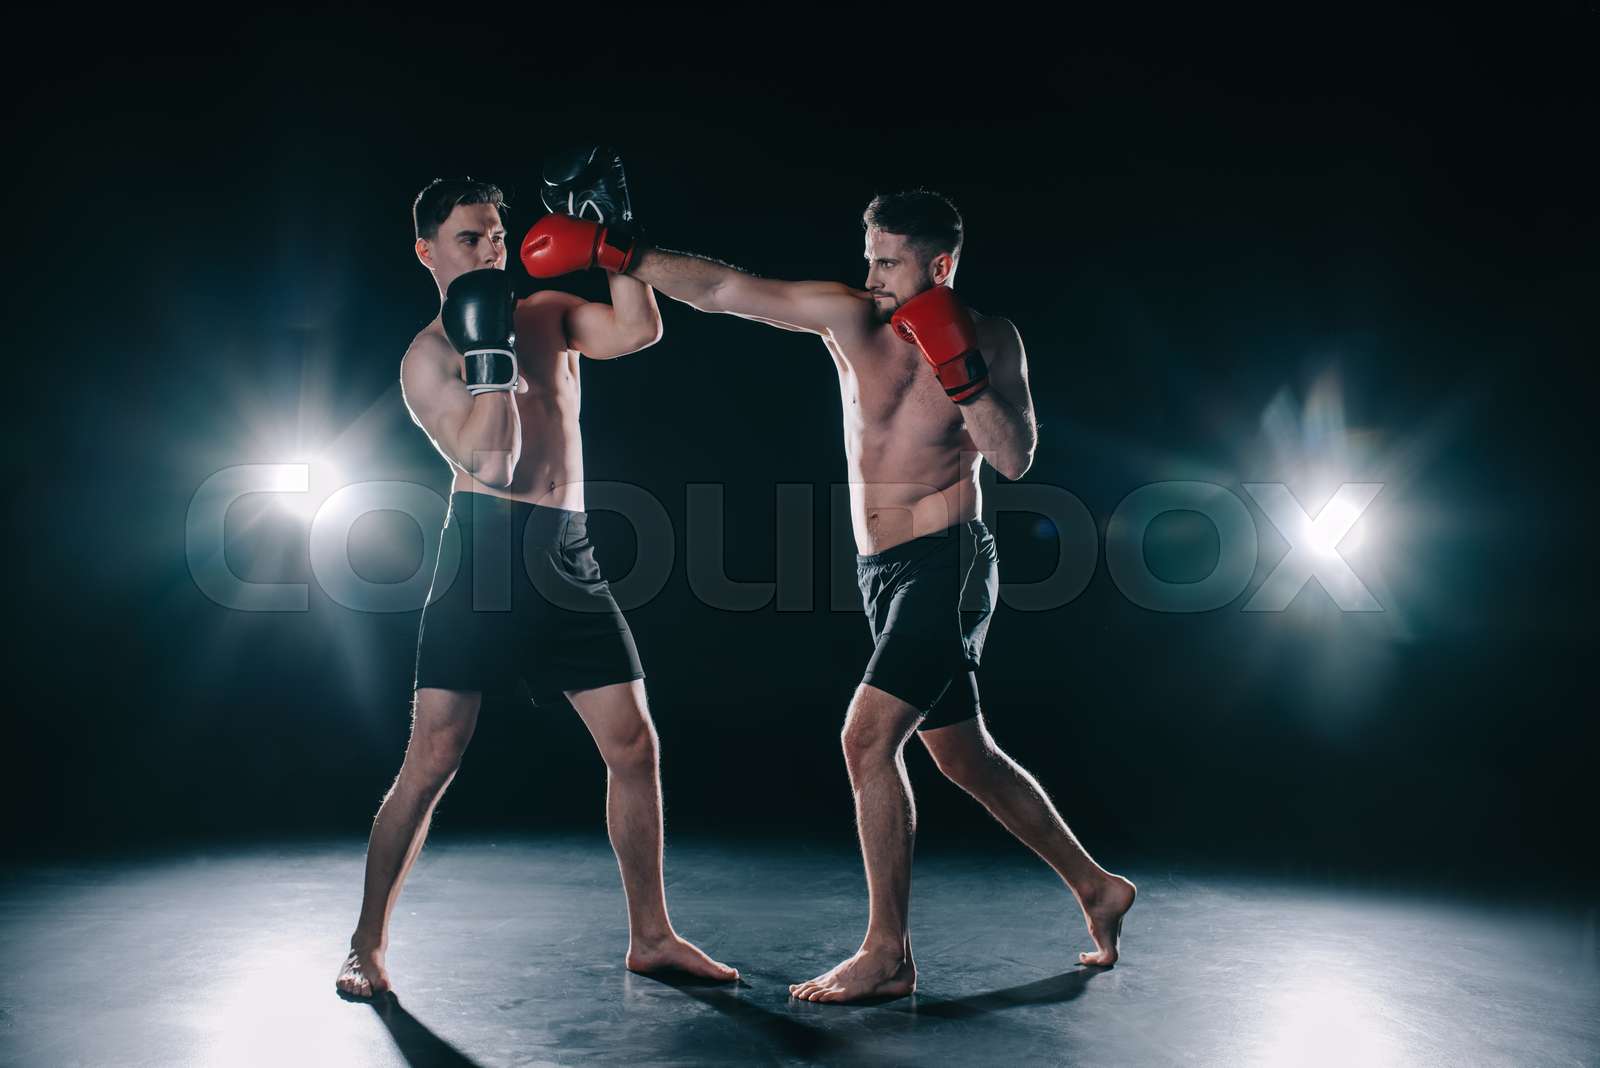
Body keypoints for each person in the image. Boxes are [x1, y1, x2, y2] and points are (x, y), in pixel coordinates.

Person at [522, 187, 1134, 1003]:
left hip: (948, 563)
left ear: (939, 265)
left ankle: (889, 955)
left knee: (865, 739)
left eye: (890, 261)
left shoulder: (990, 337)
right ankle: (1098, 887)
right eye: (870, 256)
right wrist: (615, 254)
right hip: (880, 574)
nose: (873, 275)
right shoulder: (852, 320)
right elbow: (725, 290)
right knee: (964, 755)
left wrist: (961, 371)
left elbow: (1015, 456)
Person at [336, 159, 736, 999]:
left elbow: (638, 332)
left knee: (635, 745)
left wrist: (619, 247)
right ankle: (366, 944)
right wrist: (488, 353)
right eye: (468, 237)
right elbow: (496, 458)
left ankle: (651, 937)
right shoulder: (428, 359)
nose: (490, 250)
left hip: (568, 550)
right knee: (432, 759)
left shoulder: (547, 314)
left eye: (496, 235)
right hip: (483, 559)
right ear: (426, 251)